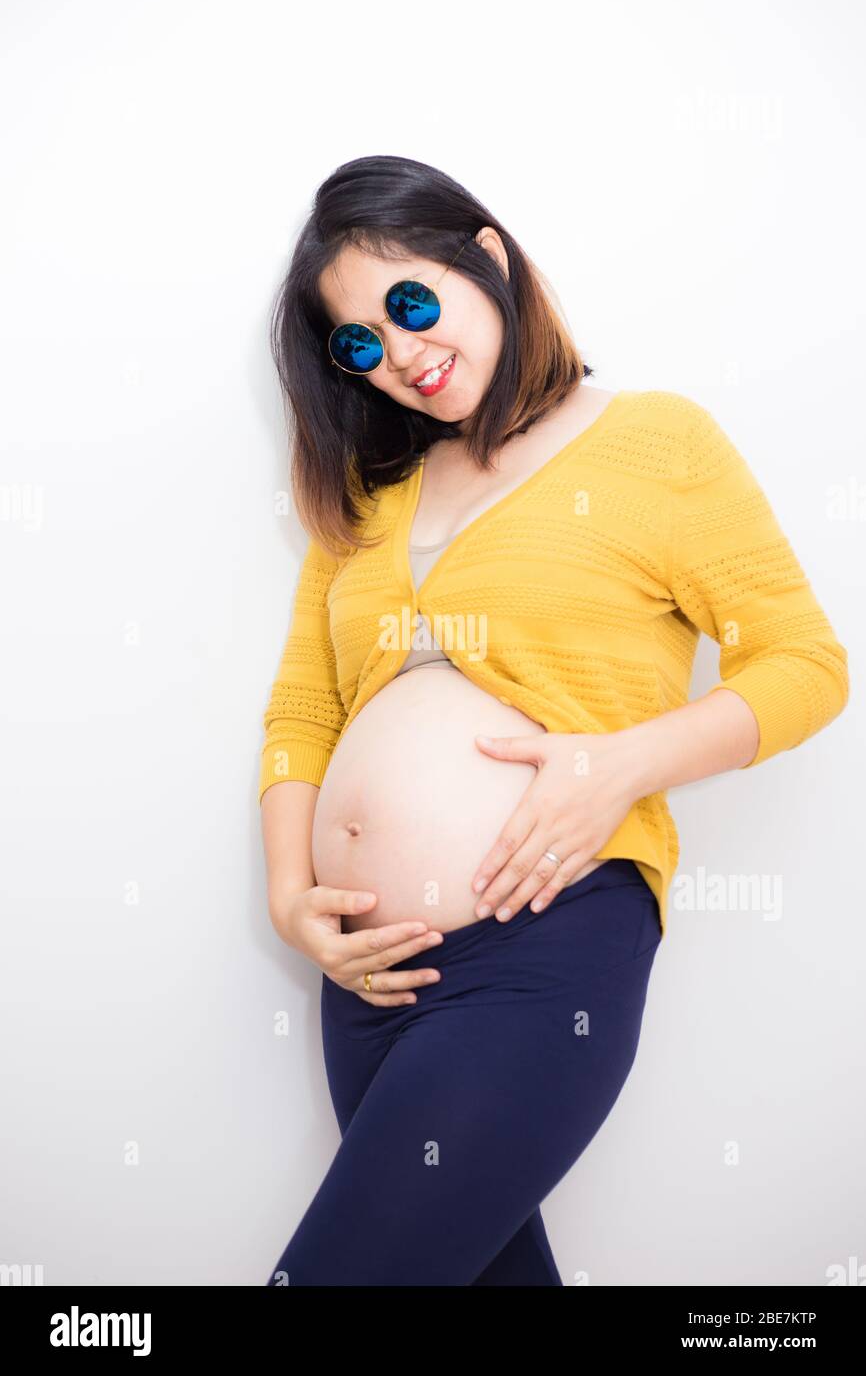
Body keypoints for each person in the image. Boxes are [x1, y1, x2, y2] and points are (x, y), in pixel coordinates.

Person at [258, 155, 849, 1286]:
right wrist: (293, 898)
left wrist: (615, 766)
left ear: (485, 254)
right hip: (372, 984)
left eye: (411, 302)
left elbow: (805, 663)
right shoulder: (370, 504)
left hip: (539, 948)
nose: (401, 352)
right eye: (360, 345)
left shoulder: (654, 443)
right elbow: (302, 711)